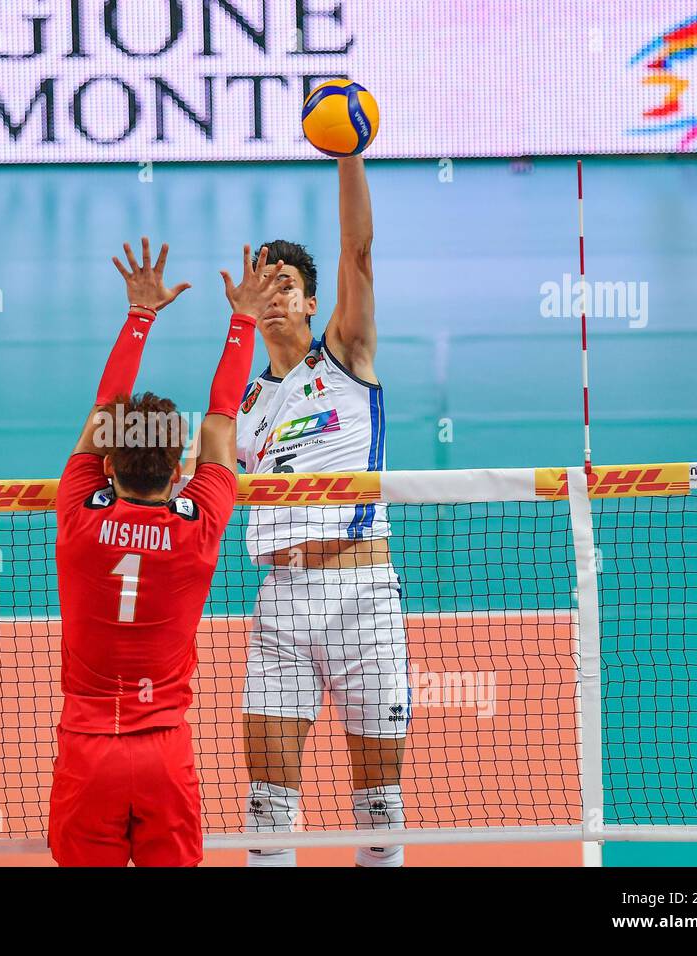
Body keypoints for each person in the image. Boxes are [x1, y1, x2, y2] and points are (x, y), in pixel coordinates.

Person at [49, 237, 281, 866]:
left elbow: (103, 414)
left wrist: (140, 315)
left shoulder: (77, 517)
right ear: (178, 468)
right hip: (163, 754)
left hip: (87, 750)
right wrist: (243, 320)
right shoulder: (197, 527)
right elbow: (221, 421)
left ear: (108, 461)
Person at [236, 156, 409, 867]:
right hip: (281, 603)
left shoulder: (345, 354)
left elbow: (358, 250)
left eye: (289, 284)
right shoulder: (242, 409)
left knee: (377, 810)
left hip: (362, 598)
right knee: (267, 811)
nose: (275, 294)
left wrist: (347, 152)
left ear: (312, 303)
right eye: (263, 283)